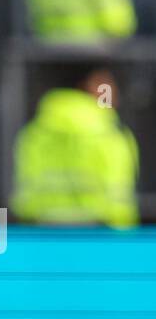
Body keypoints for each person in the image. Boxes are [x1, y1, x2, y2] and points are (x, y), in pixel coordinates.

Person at [12, 67, 139, 228]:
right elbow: (120, 200)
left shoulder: (33, 132)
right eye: (104, 88)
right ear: (83, 86)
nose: (112, 95)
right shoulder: (111, 135)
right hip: (99, 235)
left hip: (42, 231)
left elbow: (25, 192)